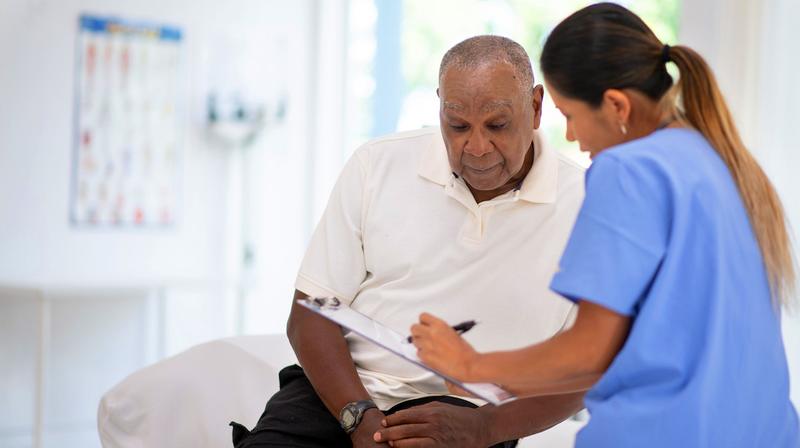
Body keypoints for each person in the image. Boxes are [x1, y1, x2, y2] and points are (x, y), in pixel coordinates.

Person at [408, 3, 799, 448]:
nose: (572, 137)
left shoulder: (628, 170)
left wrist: (470, 364)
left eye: (570, 115)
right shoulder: (719, 161)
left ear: (616, 106)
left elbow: (590, 350)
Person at [231, 35, 587, 448]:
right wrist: (358, 417)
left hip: (471, 416)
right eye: (456, 126)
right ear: (439, 106)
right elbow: (310, 315)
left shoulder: (587, 205)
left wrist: (485, 429)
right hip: (344, 398)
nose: (476, 147)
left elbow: (586, 369)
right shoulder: (376, 165)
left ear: (536, 106)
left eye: (497, 125)